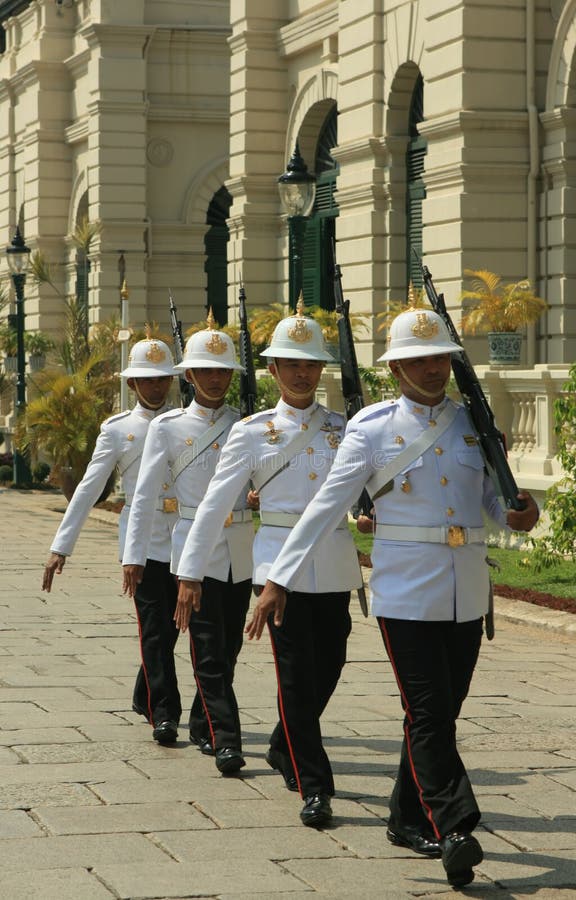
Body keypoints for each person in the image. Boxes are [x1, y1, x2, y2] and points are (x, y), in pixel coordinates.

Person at [247, 307, 539, 887]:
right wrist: (276, 577)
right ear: (398, 366)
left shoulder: (472, 425)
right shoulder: (372, 428)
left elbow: (490, 505)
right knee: (431, 714)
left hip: (466, 590)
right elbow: (329, 504)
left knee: (437, 713)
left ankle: (406, 815)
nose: (434, 369)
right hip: (405, 591)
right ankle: (456, 825)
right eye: (421, 359)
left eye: (442, 359)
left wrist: (519, 510)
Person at [175, 300, 363, 828]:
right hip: (277, 569)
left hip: (334, 563)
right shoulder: (252, 431)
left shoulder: (345, 428)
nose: (302, 373)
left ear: (320, 369)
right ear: (274, 370)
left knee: (329, 668)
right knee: (296, 678)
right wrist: (190, 573)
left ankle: (285, 743)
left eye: (311, 364)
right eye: (292, 364)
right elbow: (214, 505)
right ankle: (316, 786)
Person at [122, 314, 253, 775]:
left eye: (223, 371)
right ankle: (226, 739)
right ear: (190, 376)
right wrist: (134, 556)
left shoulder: (248, 424)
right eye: (207, 371)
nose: (216, 379)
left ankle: (203, 720)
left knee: (230, 647)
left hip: (240, 550)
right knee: (206, 647)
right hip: (193, 550)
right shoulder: (169, 427)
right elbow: (143, 496)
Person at [42, 335, 182, 745]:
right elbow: (88, 489)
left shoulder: (188, 424)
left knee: (173, 630)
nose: (155, 387)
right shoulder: (118, 430)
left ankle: (145, 692)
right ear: (132, 385)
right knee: (155, 628)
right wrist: (60, 546)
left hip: (189, 539)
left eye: (161, 380)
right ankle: (165, 713)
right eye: (146, 381)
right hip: (143, 542)